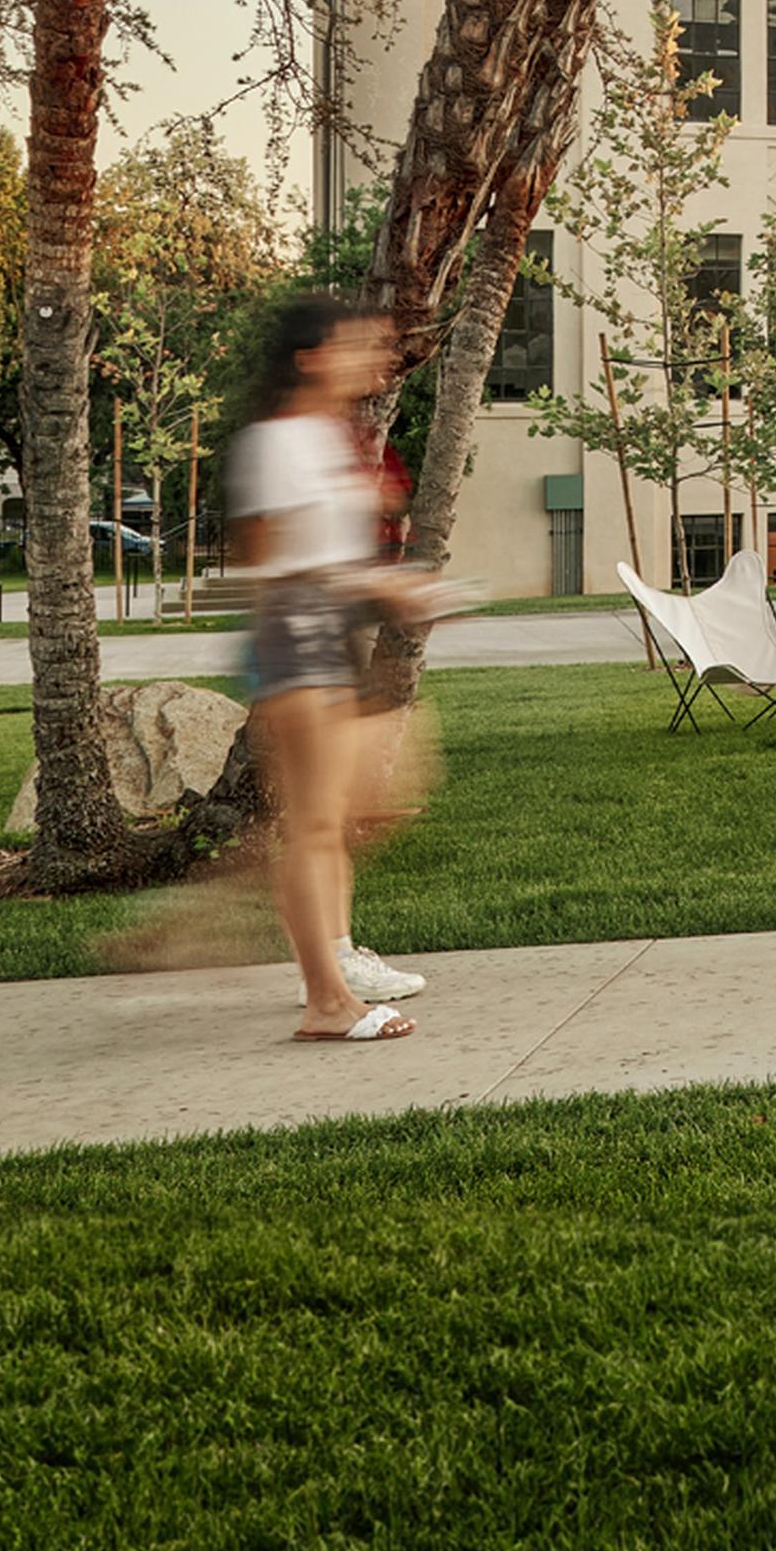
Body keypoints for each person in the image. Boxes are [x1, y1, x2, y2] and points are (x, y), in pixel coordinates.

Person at [228, 291, 472, 1040]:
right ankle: (326, 1001)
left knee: (340, 815)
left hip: (322, 634)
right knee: (314, 823)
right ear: (310, 359)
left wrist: (386, 584)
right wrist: (380, 584)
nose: (371, 356)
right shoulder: (277, 442)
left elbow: (325, 558)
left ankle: (337, 961)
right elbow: (273, 562)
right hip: (294, 637)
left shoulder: (326, 438)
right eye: (354, 344)